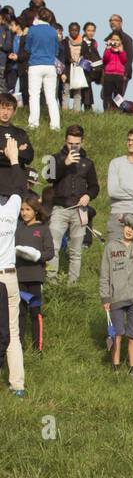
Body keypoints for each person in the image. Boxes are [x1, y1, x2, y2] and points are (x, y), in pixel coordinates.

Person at [97, 212, 133, 374]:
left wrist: (127, 216)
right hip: (116, 298)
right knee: (117, 334)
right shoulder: (111, 247)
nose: (129, 230)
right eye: (127, 226)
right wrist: (105, 297)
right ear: (122, 227)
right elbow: (104, 274)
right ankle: (116, 367)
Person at [45, 124, 97, 285]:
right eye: (70, 143)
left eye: (77, 144)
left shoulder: (87, 163)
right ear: (65, 140)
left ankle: (72, 285)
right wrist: (64, 163)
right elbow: (49, 178)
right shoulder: (55, 158)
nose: (73, 147)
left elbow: (95, 186)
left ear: (82, 142)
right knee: (52, 248)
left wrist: (88, 195)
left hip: (79, 210)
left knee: (76, 251)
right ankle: (51, 281)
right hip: (60, 208)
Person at [0, 138, 25, 396]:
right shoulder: (13, 208)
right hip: (9, 277)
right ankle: (17, 384)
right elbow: (20, 185)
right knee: (13, 333)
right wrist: (14, 158)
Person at [15, 196, 53, 352]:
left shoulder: (43, 229)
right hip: (19, 277)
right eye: (22, 209)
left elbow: (50, 252)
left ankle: (38, 347)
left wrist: (38, 256)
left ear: (36, 211)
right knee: (20, 312)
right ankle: (19, 346)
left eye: (28, 209)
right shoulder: (18, 228)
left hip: (36, 278)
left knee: (35, 312)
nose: (24, 213)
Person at [23, 7, 56, 129]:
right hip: (50, 65)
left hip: (36, 64)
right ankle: (55, 124)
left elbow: (27, 48)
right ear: (50, 18)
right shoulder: (53, 31)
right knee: (51, 97)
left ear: (38, 16)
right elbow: (56, 50)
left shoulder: (32, 30)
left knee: (34, 95)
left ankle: (33, 124)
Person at [105, 13, 133, 103]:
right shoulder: (109, 38)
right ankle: (108, 114)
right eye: (110, 20)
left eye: (115, 20)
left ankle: (117, 114)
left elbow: (129, 57)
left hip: (122, 73)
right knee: (105, 95)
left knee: (118, 97)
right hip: (109, 73)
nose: (112, 22)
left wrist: (125, 73)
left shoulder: (126, 38)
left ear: (121, 23)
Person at [100, 29, 129, 112]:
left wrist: (121, 51)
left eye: (117, 40)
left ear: (120, 41)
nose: (115, 42)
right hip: (109, 75)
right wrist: (108, 48)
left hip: (119, 75)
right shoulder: (108, 49)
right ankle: (106, 111)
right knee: (107, 95)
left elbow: (124, 60)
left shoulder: (122, 50)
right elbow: (105, 59)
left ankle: (117, 111)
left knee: (118, 96)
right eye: (113, 40)